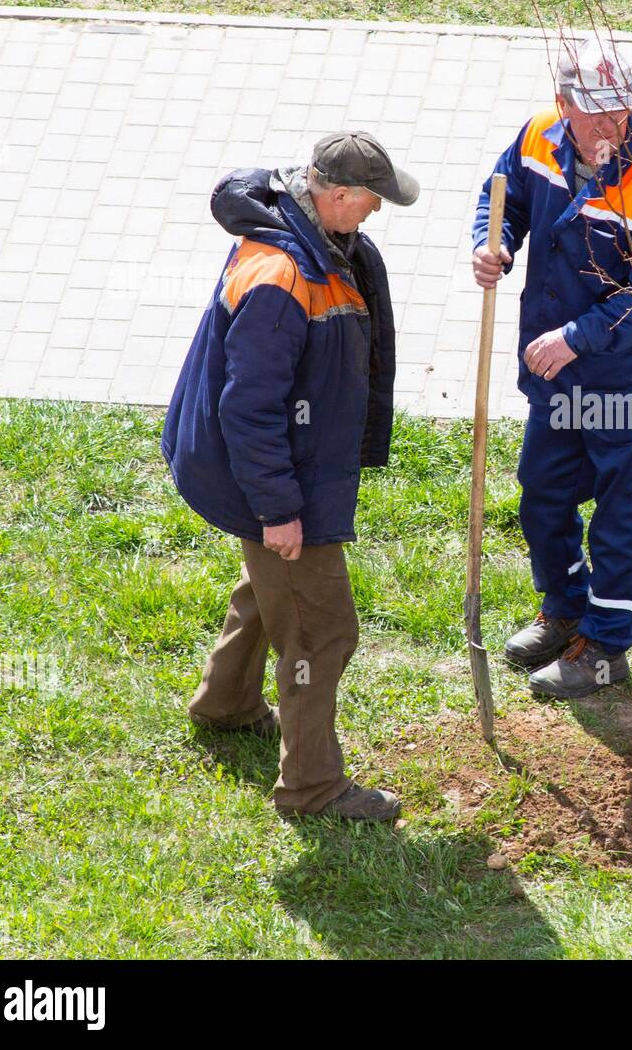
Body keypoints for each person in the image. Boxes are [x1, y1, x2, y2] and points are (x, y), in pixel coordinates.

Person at [162, 131, 417, 822]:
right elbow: (249, 409)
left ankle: (227, 704)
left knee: (272, 584)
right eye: (369, 202)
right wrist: (278, 507)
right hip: (263, 471)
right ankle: (310, 786)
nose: (374, 215)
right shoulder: (281, 277)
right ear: (334, 195)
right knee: (318, 630)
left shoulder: (308, 236)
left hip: (262, 467)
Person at [471, 35, 632, 700]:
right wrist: (496, 245)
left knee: (620, 515)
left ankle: (605, 647)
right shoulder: (538, 137)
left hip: (626, 380)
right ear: (562, 104)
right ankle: (563, 608)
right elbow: (500, 195)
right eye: (594, 111)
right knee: (543, 492)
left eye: (620, 110)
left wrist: (575, 336)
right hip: (557, 375)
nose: (611, 125)